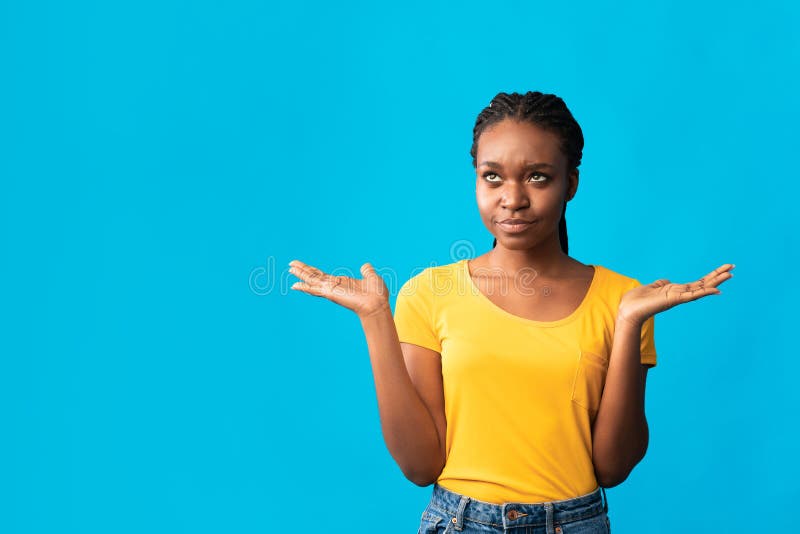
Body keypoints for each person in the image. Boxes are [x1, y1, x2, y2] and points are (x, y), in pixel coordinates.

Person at [287, 91, 734, 533]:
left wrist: (630, 322)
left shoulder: (624, 300)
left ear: (570, 183)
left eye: (538, 177)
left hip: (575, 523)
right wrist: (375, 319)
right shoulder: (429, 293)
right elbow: (420, 465)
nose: (513, 198)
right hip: (461, 522)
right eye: (493, 177)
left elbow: (614, 468)